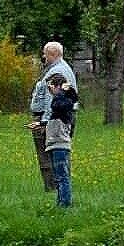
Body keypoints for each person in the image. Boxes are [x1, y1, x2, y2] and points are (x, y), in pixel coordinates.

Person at [26, 41, 78, 192]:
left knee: (49, 156)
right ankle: (59, 188)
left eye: (45, 54)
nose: (43, 57)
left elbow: (53, 101)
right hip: (54, 119)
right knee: (55, 155)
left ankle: (54, 189)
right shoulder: (59, 69)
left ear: (52, 54)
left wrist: (43, 123)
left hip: (52, 121)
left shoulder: (58, 73)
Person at [44, 74, 78, 207]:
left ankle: (65, 204)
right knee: (58, 177)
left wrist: (63, 90)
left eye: (51, 86)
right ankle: (60, 203)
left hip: (60, 146)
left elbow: (56, 105)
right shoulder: (62, 104)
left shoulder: (63, 104)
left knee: (62, 177)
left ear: (58, 87)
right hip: (54, 145)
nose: (50, 90)